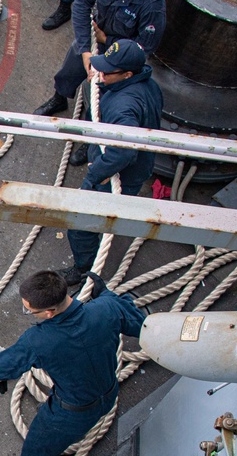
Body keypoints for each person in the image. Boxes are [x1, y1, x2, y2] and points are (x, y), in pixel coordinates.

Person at [0, 270, 145, 456]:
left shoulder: (39, 341)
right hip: (108, 393)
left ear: (49, 313)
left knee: (39, 441)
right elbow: (140, 325)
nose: (29, 312)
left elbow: (0, 365)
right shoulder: (106, 308)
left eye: (29, 310)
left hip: (73, 413)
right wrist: (107, 295)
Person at [58, 39, 163, 286]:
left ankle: (84, 269)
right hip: (140, 167)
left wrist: (96, 174)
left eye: (106, 71)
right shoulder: (150, 86)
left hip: (120, 173)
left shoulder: (123, 107)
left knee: (81, 224)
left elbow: (124, 152)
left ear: (127, 74)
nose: (100, 74)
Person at [32, 0, 165, 164]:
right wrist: (85, 49)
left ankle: (90, 138)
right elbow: (81, 3)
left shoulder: (153, 6)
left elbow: (144, 46)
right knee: (71, 66)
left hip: (120, 59)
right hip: (95, 37)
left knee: (103, 98)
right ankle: (59, 98)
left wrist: (108, 41)